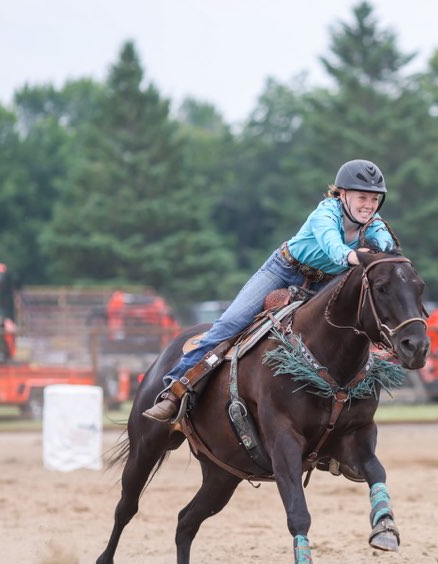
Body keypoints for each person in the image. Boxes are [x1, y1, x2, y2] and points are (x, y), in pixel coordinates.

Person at [142, 159, 395, 423]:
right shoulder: (325, 214)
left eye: (375, 199)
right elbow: (333, 246)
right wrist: (358, 256)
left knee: (346, 336)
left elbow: (386, 247)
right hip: (284, 270)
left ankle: (341, 421)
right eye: (362, 197)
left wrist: (384, 256)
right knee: (231, 323)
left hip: (326, 282)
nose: (368, 205)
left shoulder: (374, 223)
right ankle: (174, 389)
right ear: (342, 195)